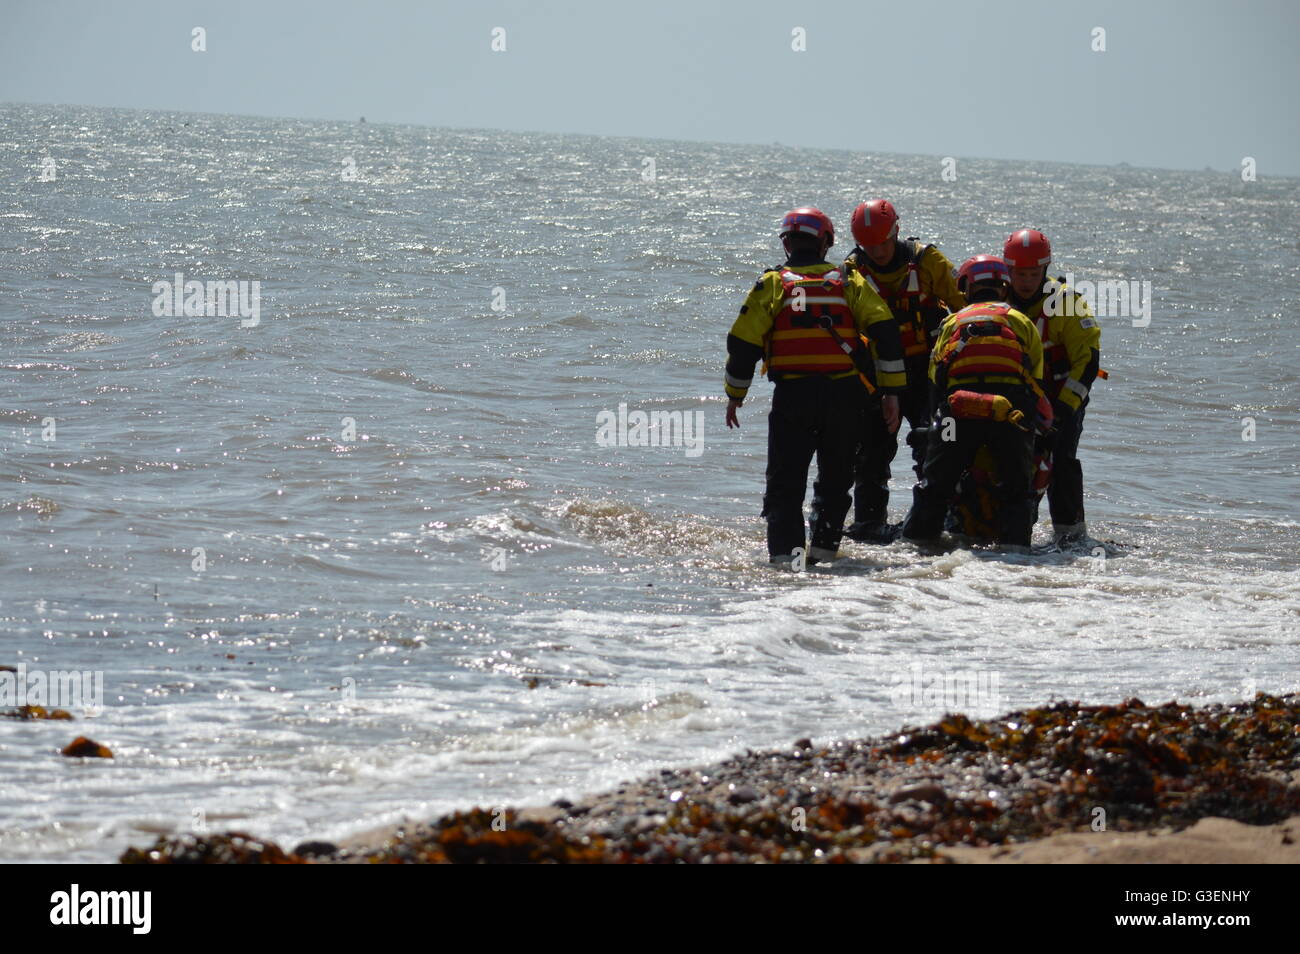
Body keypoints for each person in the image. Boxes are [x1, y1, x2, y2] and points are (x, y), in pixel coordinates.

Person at [725, 207, 904, 565]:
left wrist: (735, 395)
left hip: (793, 397)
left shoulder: (773, 284)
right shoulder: (849, 281)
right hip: (845, 399)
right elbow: (885, 333)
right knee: (835, 481)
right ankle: (823, 556)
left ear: (787, 244)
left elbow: (743, 344)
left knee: (785, 485)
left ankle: (786, 562)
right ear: (826, 242)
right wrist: (891, 394)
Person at [841, 199, 967, 543]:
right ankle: (868, 524)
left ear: (896, 232)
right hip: (880, 375)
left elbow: (967, 310)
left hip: (928, 372)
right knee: (871, 451)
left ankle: (941, 523)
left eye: (882, 242)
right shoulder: (852, 271)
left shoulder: (927, 261)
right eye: (869, 245)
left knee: (935, 444)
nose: (877, 251)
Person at [901, 255, 1048, 548]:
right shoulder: (1020, 320)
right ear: (1004, 288)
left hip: (956, 416)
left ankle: (917, 545)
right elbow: (1036, 382)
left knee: (935, 485)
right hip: (1008, 416)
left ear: (966, 288)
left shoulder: (951, 321)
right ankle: (1015, 553)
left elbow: (936, 380)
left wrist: (936, 430)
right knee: (1016, 490)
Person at [1003, 228, 1101, 544]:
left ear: (1044, 270)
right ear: (1008, 271)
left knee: (1061, 460)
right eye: (1020, 273)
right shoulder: (996, 300)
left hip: (1061, 399)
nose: (1026, 280)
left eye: (1033, 273)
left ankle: (1071, 537)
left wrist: (1061, 413)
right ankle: (1005, 531)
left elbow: (1087, 362)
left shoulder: (1067, 304)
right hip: (1013, 400)